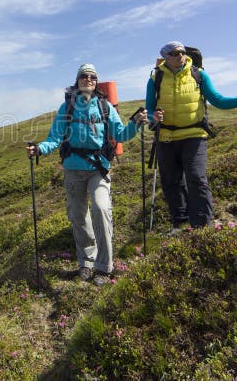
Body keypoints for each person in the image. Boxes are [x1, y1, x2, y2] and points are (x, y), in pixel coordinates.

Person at [27, 63, 147, 286]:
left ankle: (104, 267)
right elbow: (54, 137)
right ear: (78, 80)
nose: (88, 79)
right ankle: (86, 263)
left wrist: (135, 123)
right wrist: (39, 149)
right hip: (73, 169)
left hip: (98, 168)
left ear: (96, 81)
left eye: (93, 76)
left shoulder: (105, 106)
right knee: (78, 216)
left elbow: (120, 134)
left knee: (101, 210)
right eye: (84, 76)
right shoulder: (67, 108)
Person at [145, 41, 237, 232]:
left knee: (196, 178)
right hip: (165, 137)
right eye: (174, 52)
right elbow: (149, 108)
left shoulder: (199, 74)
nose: (179, 54)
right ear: (165, 56)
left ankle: (202, 225)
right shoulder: (156, 78)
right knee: (171, 182)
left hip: (194, 135)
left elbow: (217, 100)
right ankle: (179, 223)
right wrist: (153, 117)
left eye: (182, 51)